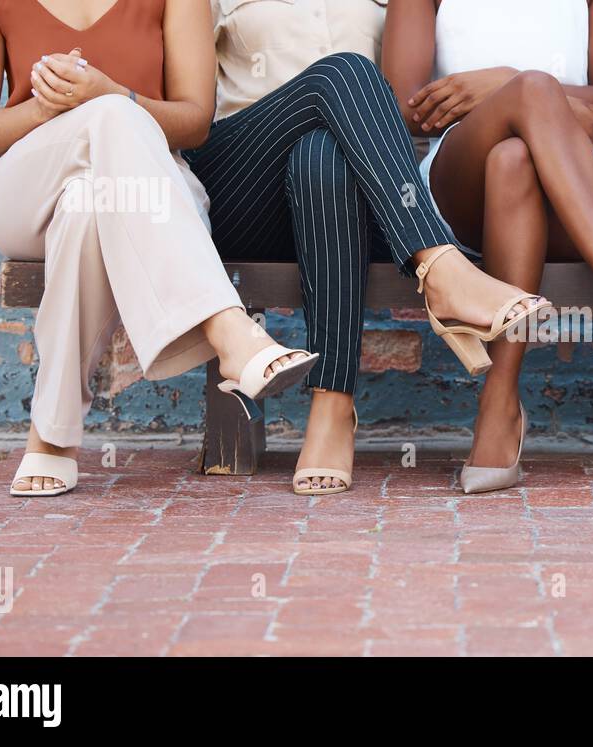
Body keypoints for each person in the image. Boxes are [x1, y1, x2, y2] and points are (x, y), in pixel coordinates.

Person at [184, 0, 551, 496]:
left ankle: (332, 406)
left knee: (322, 157)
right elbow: (186, 107)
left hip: (347, 199)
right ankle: (439, 266)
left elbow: (406, 101)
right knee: (347, 69)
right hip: (243, 185)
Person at [0, 0, 317, 497]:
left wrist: (114, 93)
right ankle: (227, 328)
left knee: (86, 200)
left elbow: (195, 122)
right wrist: (50, 106)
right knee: (107, 115)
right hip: (28, 189)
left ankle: (51, 435)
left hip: (150, 188)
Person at [383, 0, 593, 494]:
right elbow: (404, 105)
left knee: (514, 158)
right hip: (460, 182)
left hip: (581, 185)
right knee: (531, 90)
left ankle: (499, 399)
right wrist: (522, 92)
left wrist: (508, 85)